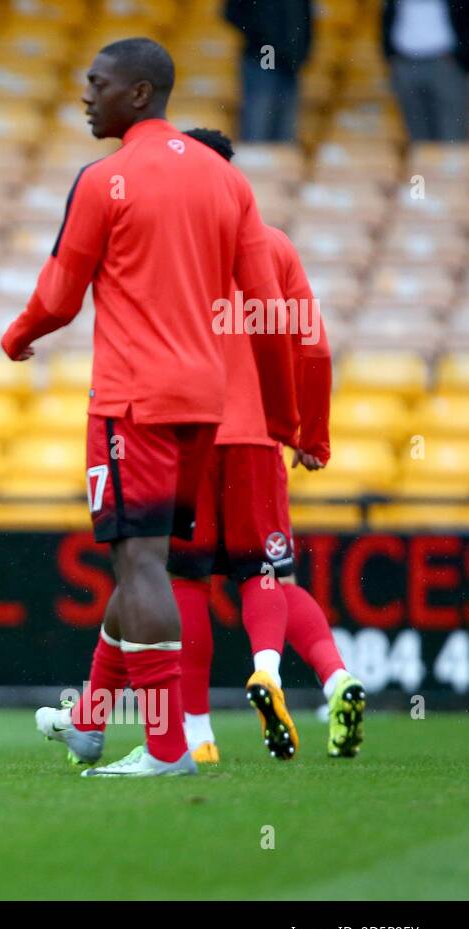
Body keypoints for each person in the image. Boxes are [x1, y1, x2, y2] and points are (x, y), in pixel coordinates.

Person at [7, 38, 298, 778]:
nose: (85, 94)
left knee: (142, 566)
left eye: (96, 83)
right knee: (146, 566)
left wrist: (17, 336)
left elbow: (59, 296)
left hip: (131, 403)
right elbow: (267, 308)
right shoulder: (226, 182)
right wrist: (282, 413)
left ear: (138, 93)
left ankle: (168, 747)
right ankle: (91, 722)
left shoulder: (105, 179)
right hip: (205, 405)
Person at [166, 128, 365, 765]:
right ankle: (275, 671)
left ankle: (197, 736)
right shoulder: (272, 247)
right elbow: (314, 347)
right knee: (266, 572)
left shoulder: (163, 250)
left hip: (184, 434)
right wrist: (310, 434)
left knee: (187, 583)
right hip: (255, 438)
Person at [224, 0, 313, 142]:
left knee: (285, 130)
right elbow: (231, 14)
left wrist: (301, 53)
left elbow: (306, 18)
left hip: (291, 62)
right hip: (264, 55)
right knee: (258, 124)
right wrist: (263, 39)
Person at [383, 0, 469, 141]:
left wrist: (461, 55)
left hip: (445, 62)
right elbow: (387, 16)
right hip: (405, 62)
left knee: (452, 132)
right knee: (416, 132)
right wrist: (392, 56)